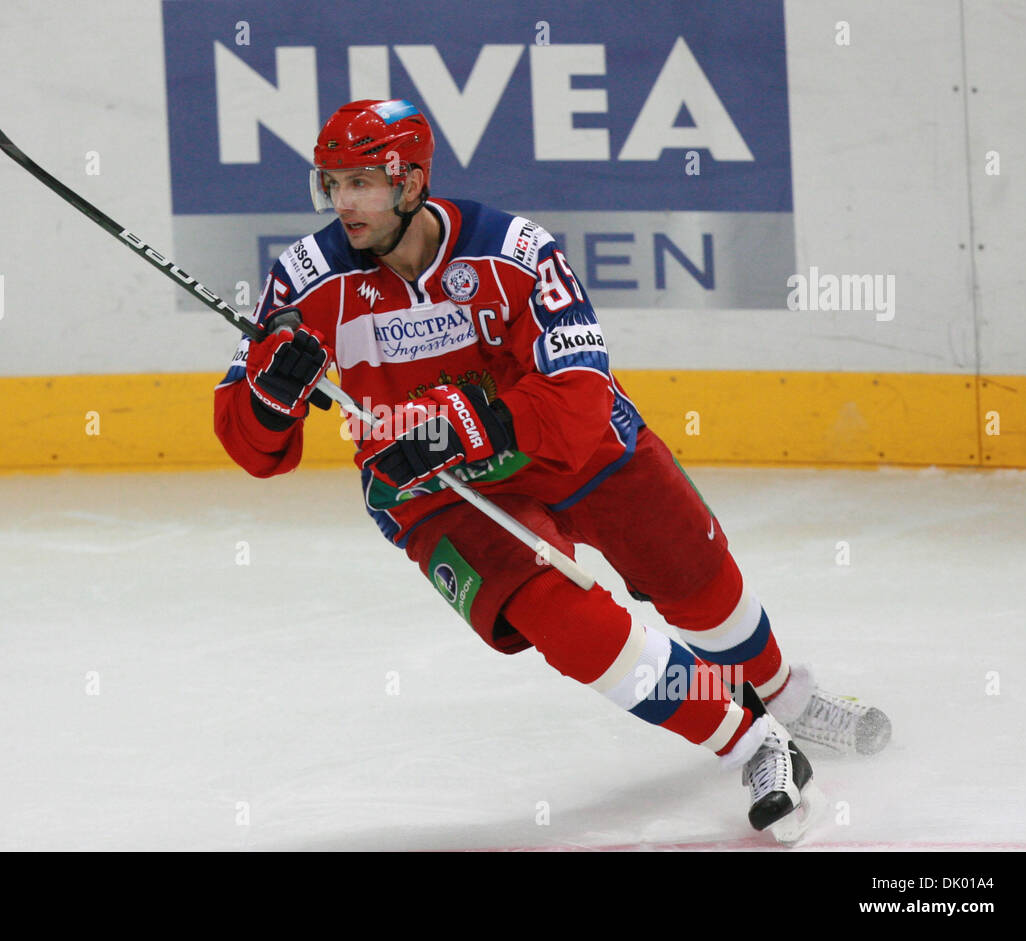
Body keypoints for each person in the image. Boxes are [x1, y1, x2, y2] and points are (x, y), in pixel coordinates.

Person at [213, 99, 890, 843]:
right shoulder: (306, 280)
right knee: (566, 619)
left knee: (695, 576)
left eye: (362, 182)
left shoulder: (514, 250)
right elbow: (253, 449)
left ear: (410, 183)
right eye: (331, 182)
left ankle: (783, 694)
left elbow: (580, 397)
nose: (342, 202)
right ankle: (753, 741)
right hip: (441, 493)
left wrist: (466, 425)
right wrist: (270, 396)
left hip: (566, 445)